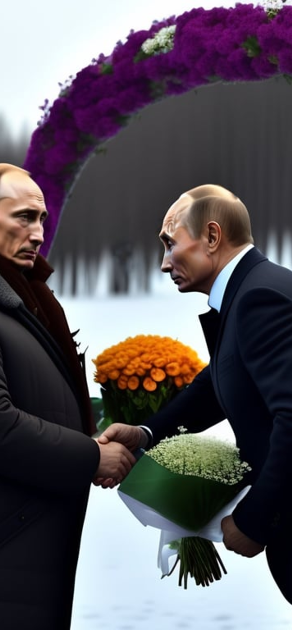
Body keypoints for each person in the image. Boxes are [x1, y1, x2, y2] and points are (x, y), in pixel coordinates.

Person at [100, 185, 292, 604]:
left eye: (170, 244)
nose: (164, 263)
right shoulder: (251, 290)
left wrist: (254, 520)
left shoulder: (260, 298)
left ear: (211, 236)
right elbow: (217, 384)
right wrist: (146, 433)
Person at [0, 164, 136, 628]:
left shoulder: (25, 296)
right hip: (7, 542)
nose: (37, 234)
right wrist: (91, 456)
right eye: (23, 217)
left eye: (42, 220)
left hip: (33, 541)